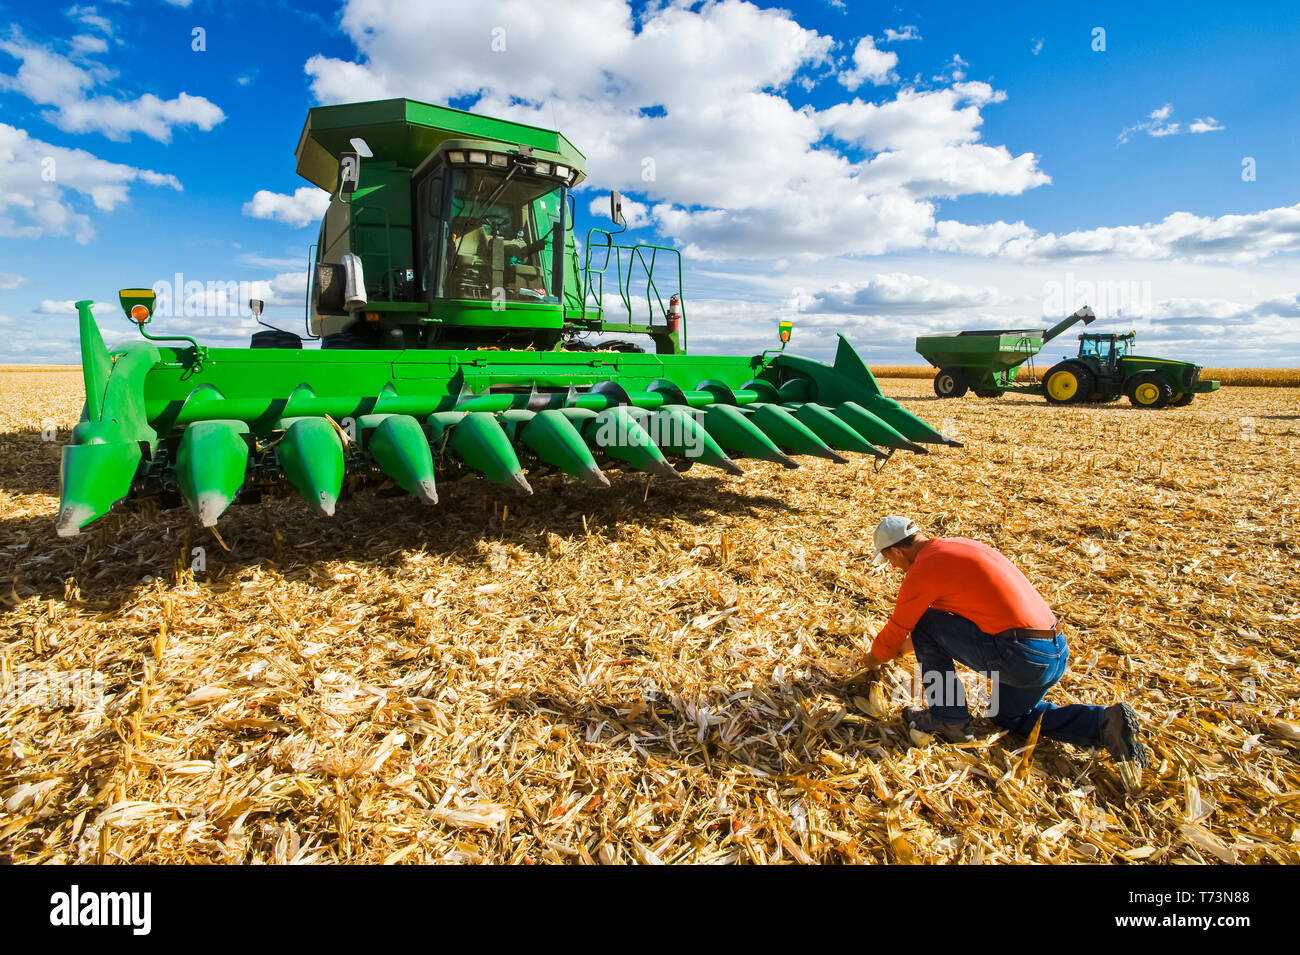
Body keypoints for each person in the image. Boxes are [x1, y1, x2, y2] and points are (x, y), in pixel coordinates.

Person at [854, 516, 1148, 766]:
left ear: (895, 554)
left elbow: (900, 628)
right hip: (1053, 650)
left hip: (1021, 656)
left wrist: (871, 661)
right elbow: (950, 630)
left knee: (926, 621)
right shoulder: (957, 548)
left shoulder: (922, 571)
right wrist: (899, 651)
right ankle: (1105, 724)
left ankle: (949, 717)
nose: (892, 567)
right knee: (1010, 718)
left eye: (889, 561)